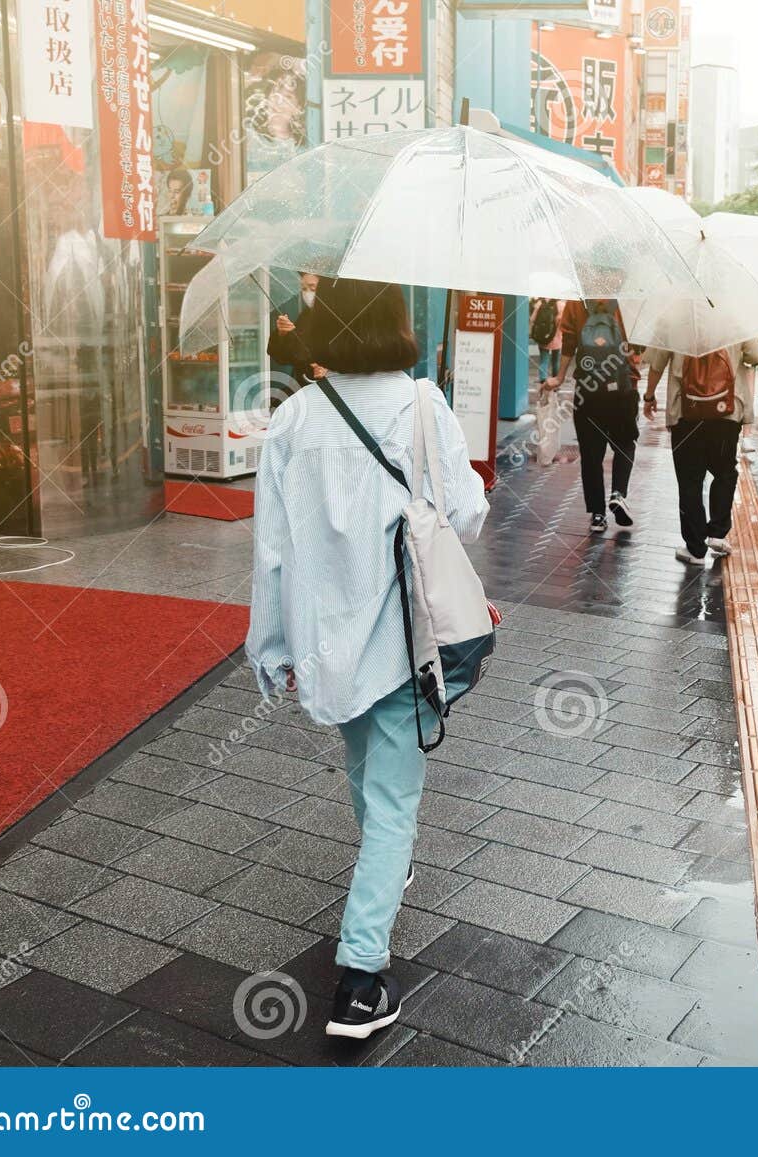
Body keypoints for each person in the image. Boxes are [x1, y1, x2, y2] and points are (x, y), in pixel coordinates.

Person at [247, 277, 489, 1038]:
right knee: (390, 803)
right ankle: (360, 979)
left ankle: (383, 874)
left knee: (369, 779)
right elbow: (468, 516)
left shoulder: (290, 419)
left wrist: (271, 647)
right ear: (396, 324)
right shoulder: (425, 406)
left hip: (328, 645)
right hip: (408, 642)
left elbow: (272, 552)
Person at [644, 335, 758, 564]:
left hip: (685, 411)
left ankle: (695, 549)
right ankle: (717, 533)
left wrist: (649, 396)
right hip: (727, 410)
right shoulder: (735, 316)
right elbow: (756, 354)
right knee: (725, 471)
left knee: (689, 480)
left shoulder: (673, 316)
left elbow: (657, 363)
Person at [550, 298, 641, 534]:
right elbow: (640, 345)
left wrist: (559, 377)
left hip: (588, 389)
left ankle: (598, 515)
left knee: (591, 454)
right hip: (623, 385)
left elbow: (569, 341)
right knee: (625, 443)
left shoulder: (577, 299)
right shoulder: (628, 298)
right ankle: (618, 493)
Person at [268, 271, 322, 401]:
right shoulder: (306, 315)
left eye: (312, 288)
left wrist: (331, 369)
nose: (307, 293)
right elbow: (285, 357)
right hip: (304, 385)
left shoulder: (341, 317)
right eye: (304, 289)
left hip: (328, 389)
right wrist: (283, 334)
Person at [529, 296, 563, 385]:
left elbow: (532, 319)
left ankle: (543, 381)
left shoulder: (540, 303)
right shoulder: (560, 304)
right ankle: (555, 381)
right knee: (556, 360)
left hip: (543, 337)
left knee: (543, 360)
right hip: (557, 337)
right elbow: (563, 322)